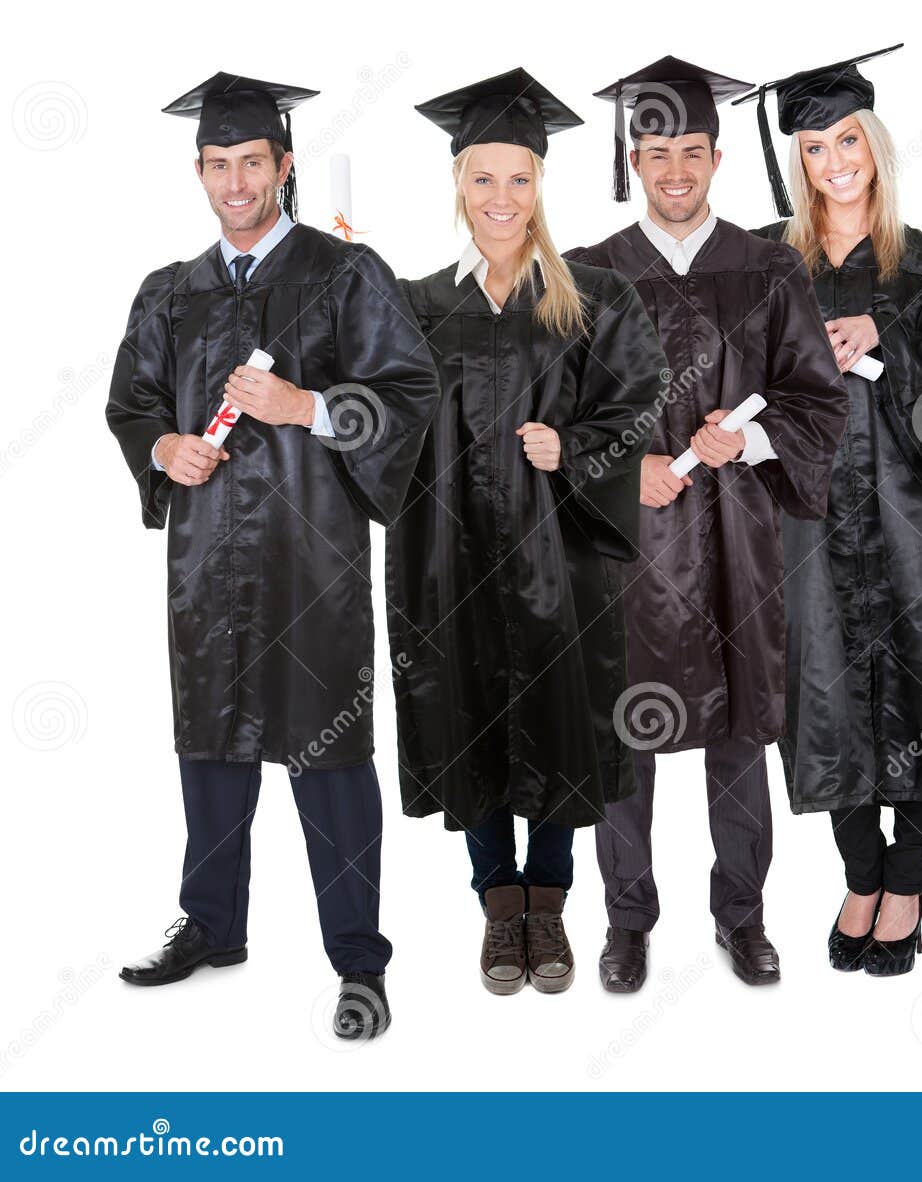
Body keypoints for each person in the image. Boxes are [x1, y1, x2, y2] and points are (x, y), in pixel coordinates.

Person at [106, 73, 440, 1038]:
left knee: (328, 751)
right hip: (206, 560)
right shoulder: (170, 292)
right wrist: (162, 449)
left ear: (284, 167)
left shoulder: (345, 273)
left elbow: (410, 393)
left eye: (253, 162)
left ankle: (359, 961)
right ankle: (212, 926)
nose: (236, 181)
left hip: (313, 557)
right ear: (200, 171)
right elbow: (130, 405)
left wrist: (310, 406)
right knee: (210, 742)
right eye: (218, 164)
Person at [568, 57, 848, 992]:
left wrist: (756, 442)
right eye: (656, 152)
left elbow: (819, 404)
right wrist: (621, 468)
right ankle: (626, 923)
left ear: (719, 157)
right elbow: (550, 432)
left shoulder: (769, 268)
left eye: (692, 149)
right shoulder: (586, 276)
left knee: (736, 741)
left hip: (739, 544)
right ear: (633, 162)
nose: (675, 169)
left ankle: (745, 917)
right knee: (624, 744)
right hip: (628, 555)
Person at [740, 44, 922, 978]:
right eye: (815, 147)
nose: (835, 160)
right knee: (821, 697)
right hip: (805, 527)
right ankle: (859, 873)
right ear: (798, 163)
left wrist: (888, 341)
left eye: (848, 138)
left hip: (915, 520)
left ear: (877, 145)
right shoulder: (764, 266)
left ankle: (907, 876)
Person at [390, 69, 668, 996]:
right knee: (471, 715)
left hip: (565, 555)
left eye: (518, 179)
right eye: (483, 179)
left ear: (540, 184)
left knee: (560, 720)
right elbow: (374, 407)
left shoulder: (592, 298)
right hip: (451, 555)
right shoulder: (416, 303)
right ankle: (497, 911)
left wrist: (576, 447)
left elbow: (640, 408)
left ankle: (548, 905)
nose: (500, 199)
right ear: (458, 186)